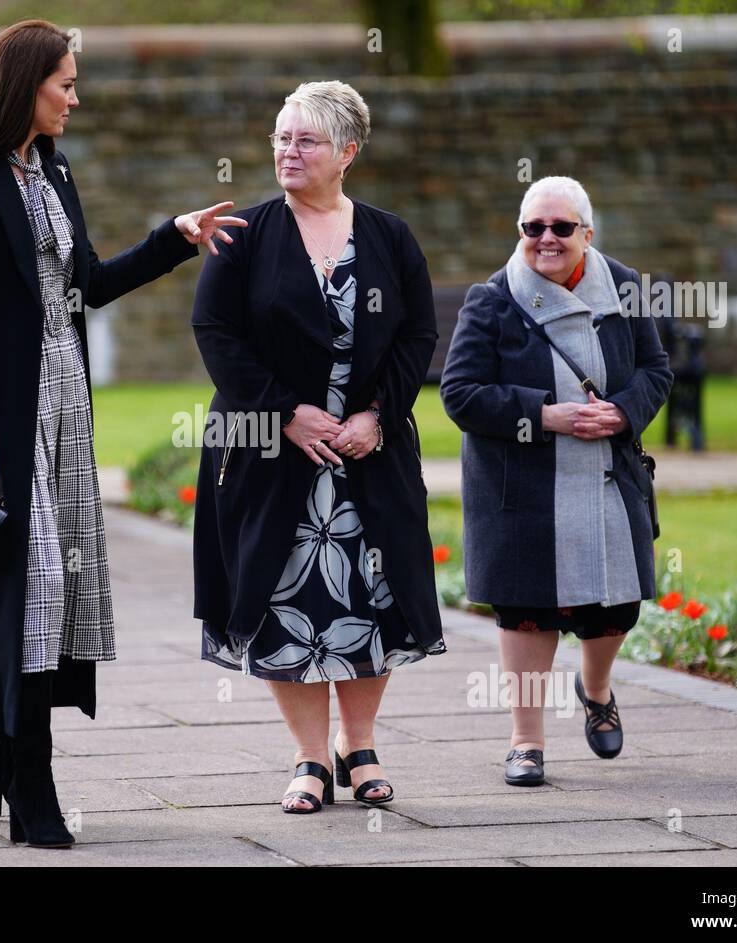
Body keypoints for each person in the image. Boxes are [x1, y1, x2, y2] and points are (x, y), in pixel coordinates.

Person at [0, 19, 245, 846]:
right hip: (8, 410)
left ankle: (5, 749)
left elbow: (88, 284)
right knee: (34, 583)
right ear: (25, 83)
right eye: (64, 81)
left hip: (69, 406)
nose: (74, 96)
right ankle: (33, 776)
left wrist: (175, 239)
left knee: (59, 595)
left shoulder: (55, 171)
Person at [191, 81, 445, 815]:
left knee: (372, 595)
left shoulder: (391, 238)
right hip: (271, 454)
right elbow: (216, 335)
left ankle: (358, 747)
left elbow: (417, 336)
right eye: (279, 137)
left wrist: (377, 416)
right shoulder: (244, 235)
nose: (286, 151)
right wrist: (285, 413)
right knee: (283, 596)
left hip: (370, 454)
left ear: (347, 153)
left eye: (304, 140)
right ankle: (308, 759)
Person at [440, 176, 673, 786]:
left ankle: (595, 688)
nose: (545, 238)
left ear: (586, 234)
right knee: (527, 613)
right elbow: (460, 394)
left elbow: (655, 369)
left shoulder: (624, 287)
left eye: (560, 228)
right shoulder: (491, 299)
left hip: (605, 477)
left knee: (617, 608)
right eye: (532, 228)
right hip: (521, 487)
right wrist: (544, 415)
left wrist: (623, 411)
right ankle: (525, 740)